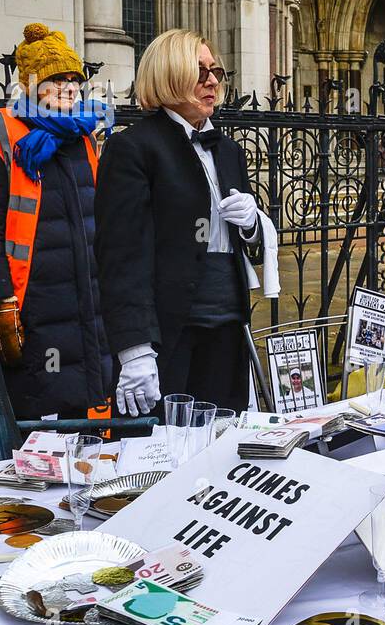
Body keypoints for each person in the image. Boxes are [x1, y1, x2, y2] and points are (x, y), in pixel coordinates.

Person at [95, 29, 264, 415]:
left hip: (228, 325)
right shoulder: (133, 148)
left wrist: (253, 225)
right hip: (169, 333)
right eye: (199, 70)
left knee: (223, 450)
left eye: (215, 71)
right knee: (164, 455)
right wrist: (135, 349)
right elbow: (120, 256)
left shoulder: (229, 150)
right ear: (168, 75)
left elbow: (242, 243)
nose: (212, 81)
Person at [0, 23, 113, 420]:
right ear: (31, 84)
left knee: (89, 410)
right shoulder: (0, 135)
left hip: (87, 297)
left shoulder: (83, 135)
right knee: (41, 411)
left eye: (74, 79)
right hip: (31, 303)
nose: (68, 87)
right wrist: (0, 304)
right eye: (54, 79)